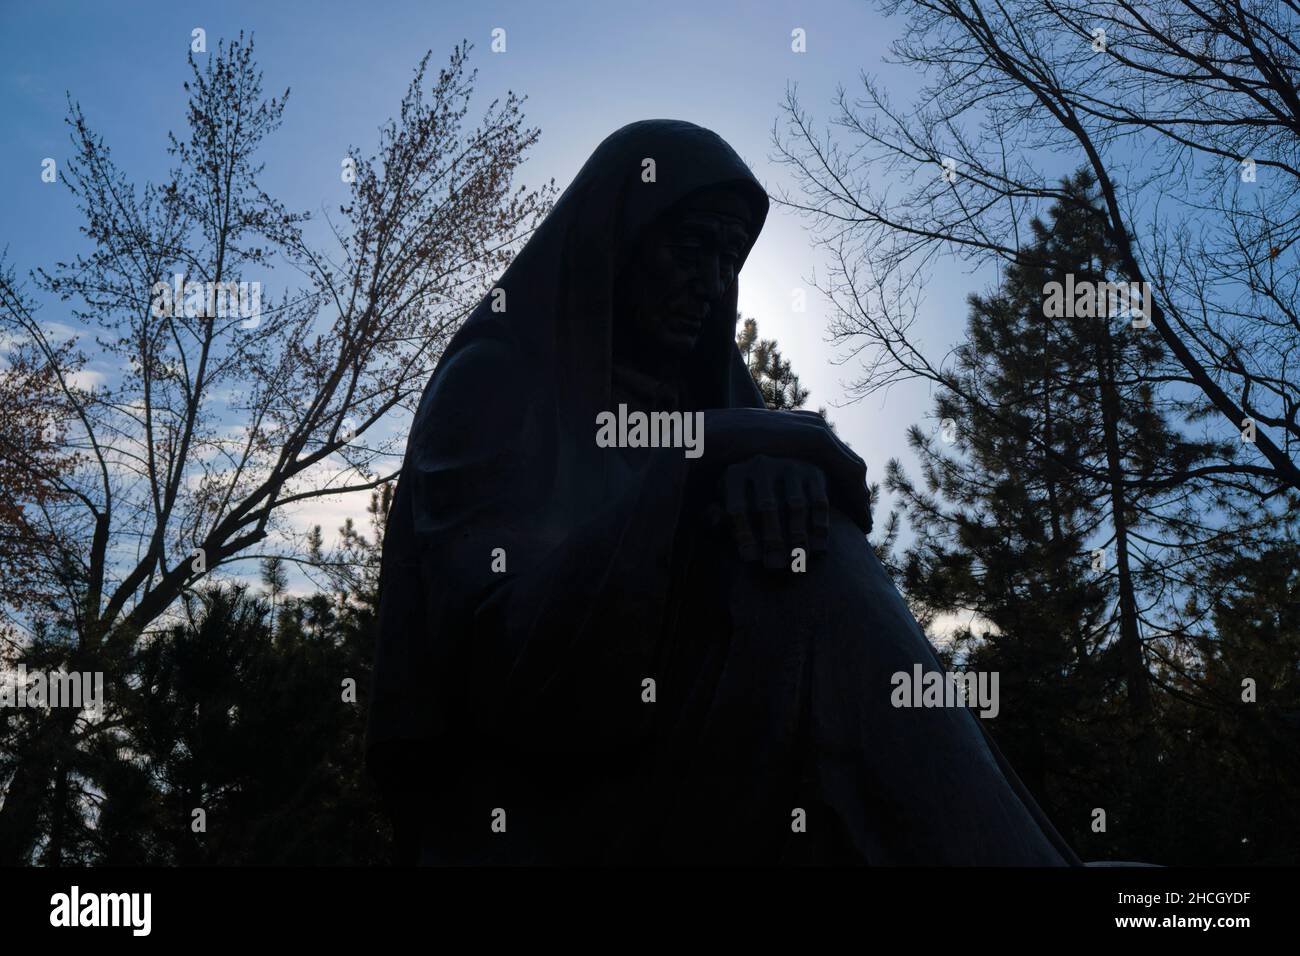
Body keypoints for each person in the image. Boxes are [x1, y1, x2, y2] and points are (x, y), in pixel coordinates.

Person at [367, 119, 1081, 865]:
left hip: (698, 766)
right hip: (532, 806)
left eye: (729, 259)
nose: (710, 285)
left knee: (799, 542)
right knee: (813, 561)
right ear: (619, 239)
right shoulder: (496, 383)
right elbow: (498, 661)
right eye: (690, 247)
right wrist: (702, 463)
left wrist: (742, 470)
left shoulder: (696, 406)